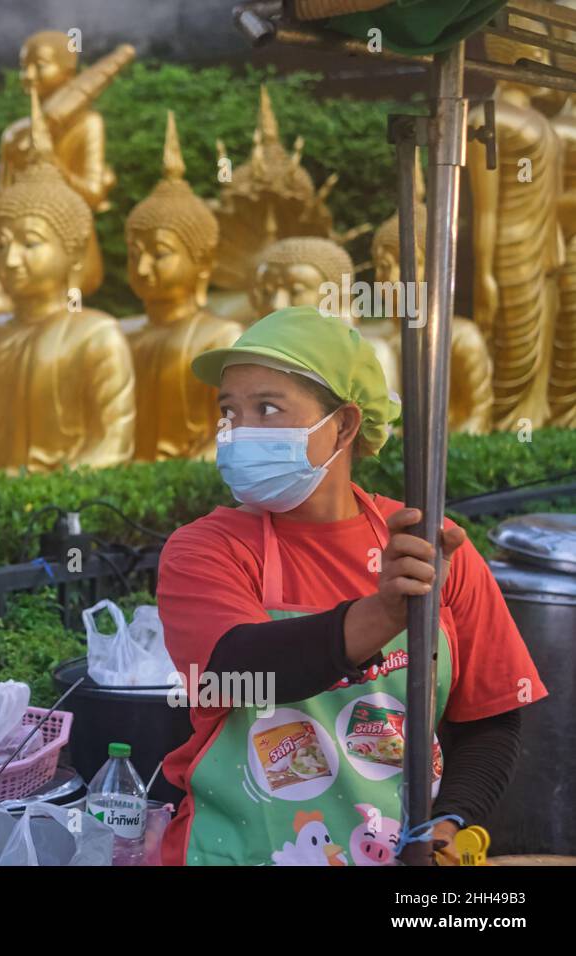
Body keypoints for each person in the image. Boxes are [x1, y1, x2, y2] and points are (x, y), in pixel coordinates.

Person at [157, 306, 547, 867]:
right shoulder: (205, 548)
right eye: (229, 411)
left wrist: (450, 824)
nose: (239, 430)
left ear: (343, 425)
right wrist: (385, 612)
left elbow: (489, 715)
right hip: (239, 851)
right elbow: (233, 671)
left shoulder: (426, 544)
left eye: (267, 408)